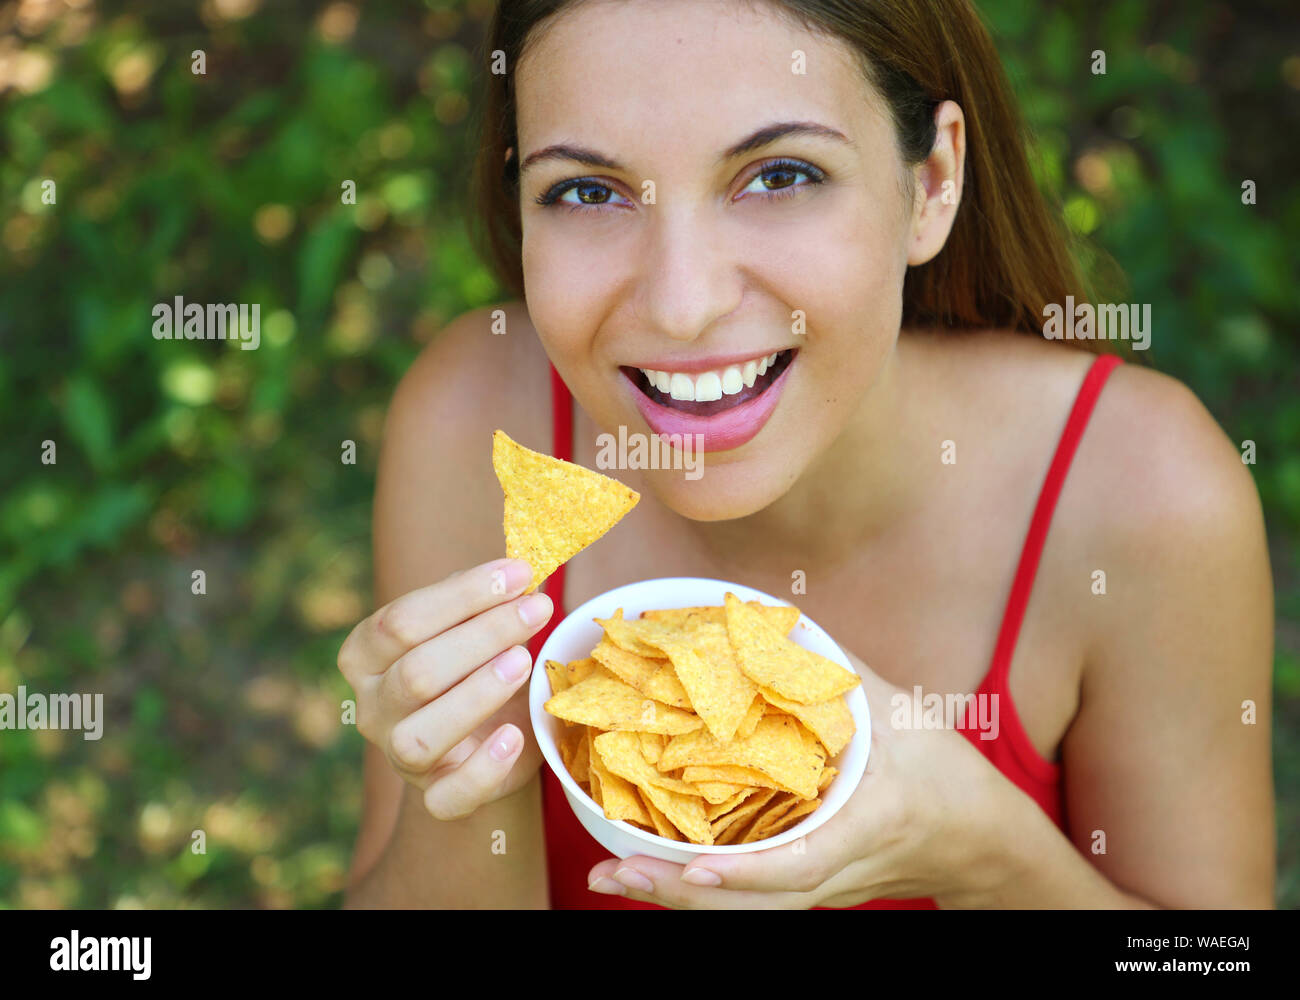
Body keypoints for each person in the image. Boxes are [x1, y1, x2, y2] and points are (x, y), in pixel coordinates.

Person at [337, 0, 1275, 909]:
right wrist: (465, 785)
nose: (681, 304)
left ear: (934, 182)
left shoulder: (1141, 495)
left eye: (780, 176)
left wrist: (987, 858)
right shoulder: (477, 424)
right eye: (587, 191)